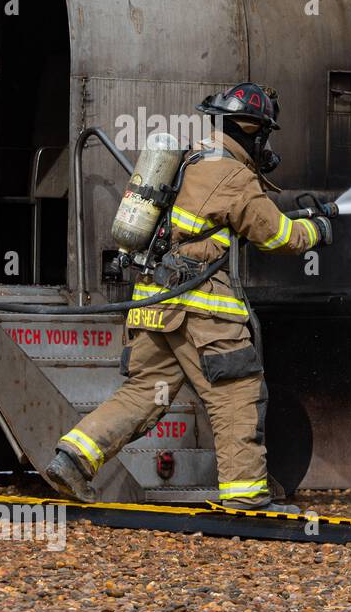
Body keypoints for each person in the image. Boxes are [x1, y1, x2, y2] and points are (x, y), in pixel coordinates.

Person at [40, 83, 332, 511]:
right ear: (255, 131)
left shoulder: (195, 158)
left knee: (144, 392)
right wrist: (316, 231)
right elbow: (277, 235)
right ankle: (245, 498)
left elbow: (230, 218)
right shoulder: (233, 174)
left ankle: (73, 459)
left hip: (155, 304)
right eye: (264, 133)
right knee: (236, 391)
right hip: (201, 307)